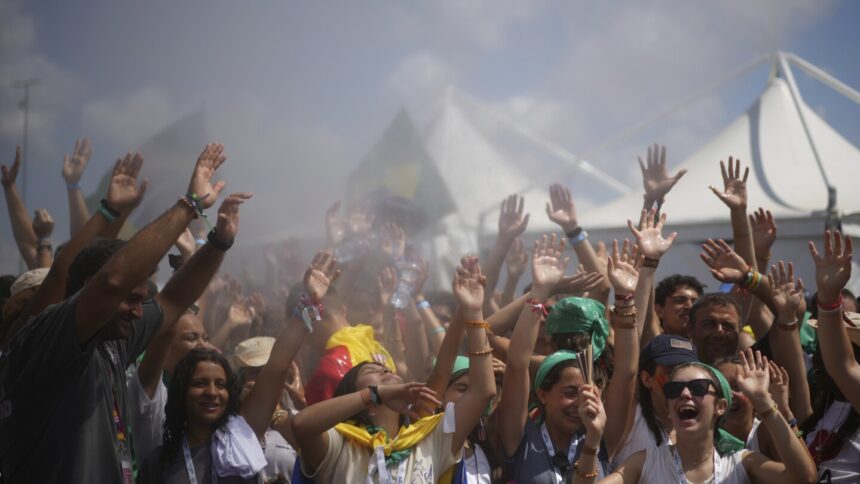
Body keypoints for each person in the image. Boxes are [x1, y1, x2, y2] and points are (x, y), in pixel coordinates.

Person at [0, 143, 234, 483]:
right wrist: (189, 204)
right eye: (131, 299)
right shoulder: (45, 341)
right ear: (88, 290)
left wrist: (219, 244)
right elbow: (110, 280)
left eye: (141, 299)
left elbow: (173, 301)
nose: (139, 312)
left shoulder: (113, 340)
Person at [291, 256, 496, 483]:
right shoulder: (339, 445)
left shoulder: (428, 440)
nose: (385, 369)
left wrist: (474, 311)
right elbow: (301, 425)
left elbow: (483, 391)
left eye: (386, 367)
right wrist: (374, 395)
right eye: (370, 369)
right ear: (353, 391)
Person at [500, 235, 639, 483]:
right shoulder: (520, 438)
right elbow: (517, 363)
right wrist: (540, 292)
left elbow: (627, 372)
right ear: (542, 394)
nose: (581, 402)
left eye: (589, 393)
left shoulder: (604, 437)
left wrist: (625, 299)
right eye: (571, 391)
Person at [575, 348, 817, 483]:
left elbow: (804, 478)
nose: (685, 394)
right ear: (669, 408)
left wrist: (765, 404)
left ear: (721, 406)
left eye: (699, 388)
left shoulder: (742, 463)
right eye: (674, 389)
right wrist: (593, 438)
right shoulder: (645, 462)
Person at [805, 230, 860, 481]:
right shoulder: (822, 406)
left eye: (845, 342)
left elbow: (842, 365)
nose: (822, 350)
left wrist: (828, 298)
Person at [128, 310, 213, 461]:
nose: (203, 345)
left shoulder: (213, 399)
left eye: (205, 338)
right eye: (191, 338)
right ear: (166, 347)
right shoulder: (156, 400)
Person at [612, 334, 699, 467]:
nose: (682, 380)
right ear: (647, 379)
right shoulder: (632, 417)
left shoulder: (700, 425)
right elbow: (626, 372)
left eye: (688, 371)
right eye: (671, 372)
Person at [233, 336, 298, 483]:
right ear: (242, 379)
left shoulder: (297, 420)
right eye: (256, 372)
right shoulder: (229, 424)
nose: (265, 379)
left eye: (270, 371)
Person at [687, 293, 742, 365]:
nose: (719, 333)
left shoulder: (753, 373)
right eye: (709, 324)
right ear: (690, 330)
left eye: (727, 326)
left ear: (739, 331)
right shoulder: (675, 372)